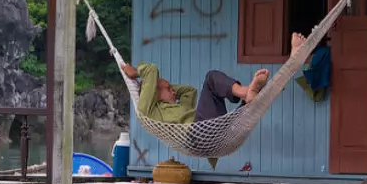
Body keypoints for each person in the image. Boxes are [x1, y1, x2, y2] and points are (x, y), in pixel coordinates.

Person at [123, 33, 307, 124]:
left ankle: (293, 62)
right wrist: (137, 73)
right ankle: (246, 92)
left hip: (209, 126)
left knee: (259, 99)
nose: (173, 91)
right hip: (198, 131)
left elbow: (190, 91)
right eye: (168, 88)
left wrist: (164, 87)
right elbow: (152, 70)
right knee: (211, 78)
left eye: (172, 88)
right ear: (153, 93)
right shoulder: (148, 110)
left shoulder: (181, 108)